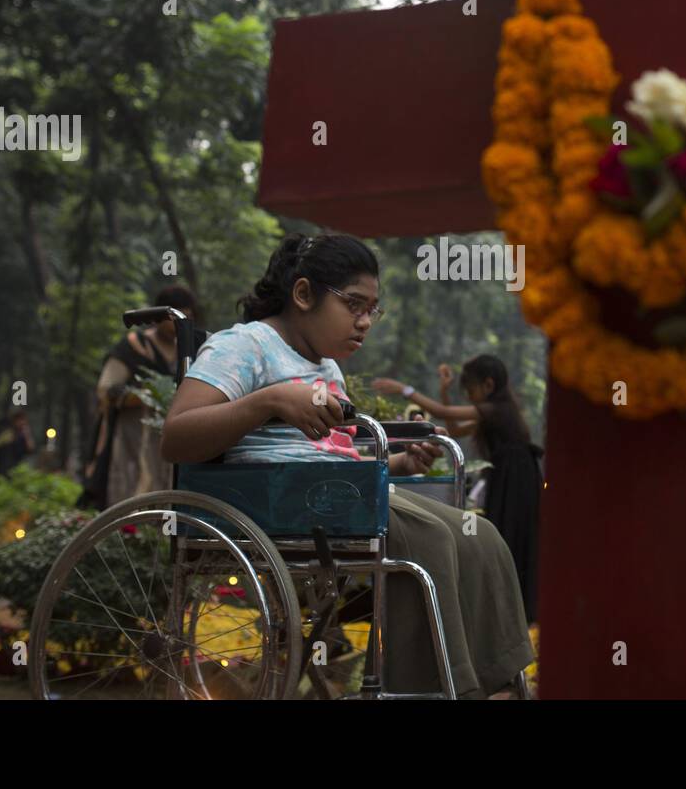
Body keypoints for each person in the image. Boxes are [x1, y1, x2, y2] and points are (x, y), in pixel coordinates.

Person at [160, 234, 533, 698]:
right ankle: (434, 689)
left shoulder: (326, 367)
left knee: (482, 536)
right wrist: (268, 400)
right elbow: (176, 436)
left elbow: (342, 454)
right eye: (353, 305)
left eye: (372, 310)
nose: (364, 323)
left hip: (335, 493)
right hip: (277, 500)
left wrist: (399, 461)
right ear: (302, 294)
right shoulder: (244, 346)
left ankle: (499, 680)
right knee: (429, 539)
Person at [373, 355, 542, 625]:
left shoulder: (498, 409)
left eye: (472, 391)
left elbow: (443, 415)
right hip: (504, 475)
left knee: (513, 532)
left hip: (517, 477)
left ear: (488, 385)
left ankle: (517, 607)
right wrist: (443, 390)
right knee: (502, 527)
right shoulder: (490, 411)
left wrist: (406, 391)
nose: (471, 398)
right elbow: (453, 429)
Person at [85, 285, 196, 508]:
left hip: (170, 435)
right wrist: (147, 396)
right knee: (130, 487)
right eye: (171, 317)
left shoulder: (189, 350)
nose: (176, 325)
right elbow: (107, 390)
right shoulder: (133, 347)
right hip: (132, 435)